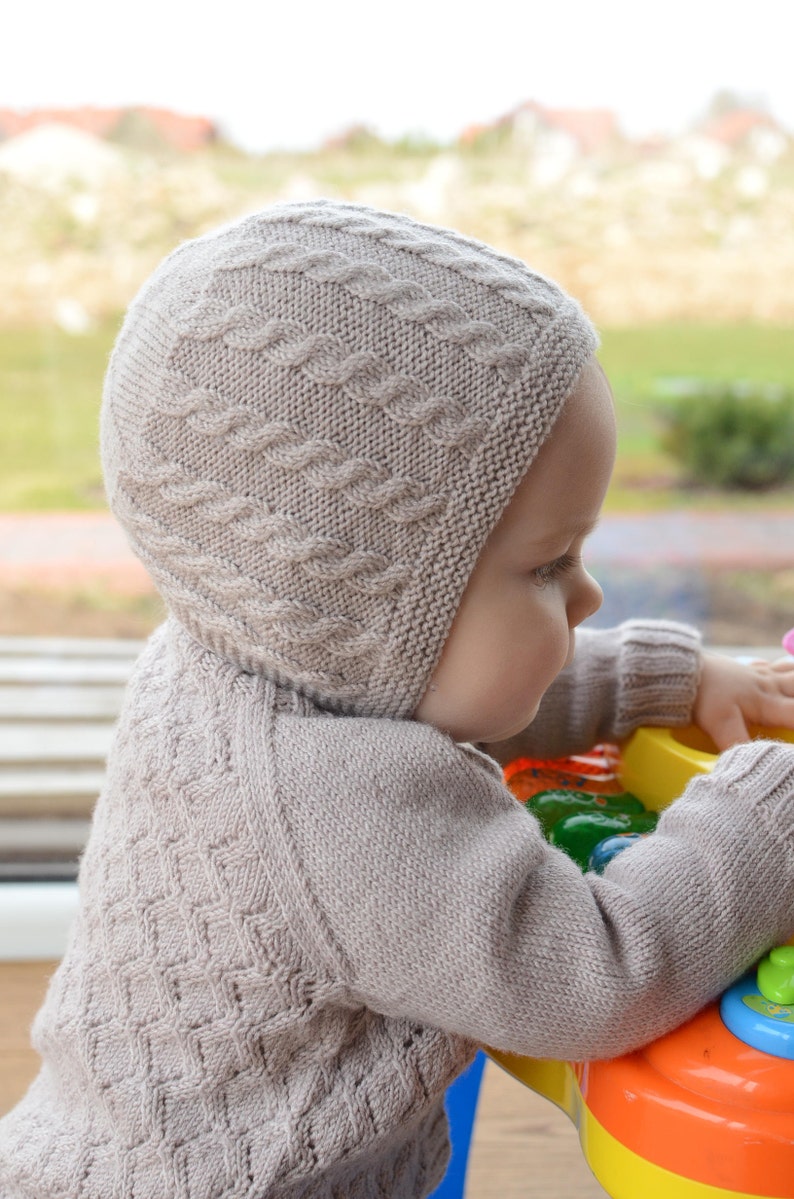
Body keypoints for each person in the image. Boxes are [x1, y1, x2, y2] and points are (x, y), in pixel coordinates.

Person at [1, 199, 793, 1199]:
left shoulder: (247, 658)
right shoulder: (340, 806)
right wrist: (758, 822)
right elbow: (595, 977)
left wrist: (661, 680)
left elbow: (452, 688)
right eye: (548, 565)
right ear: (350, 606)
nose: (586, 595)